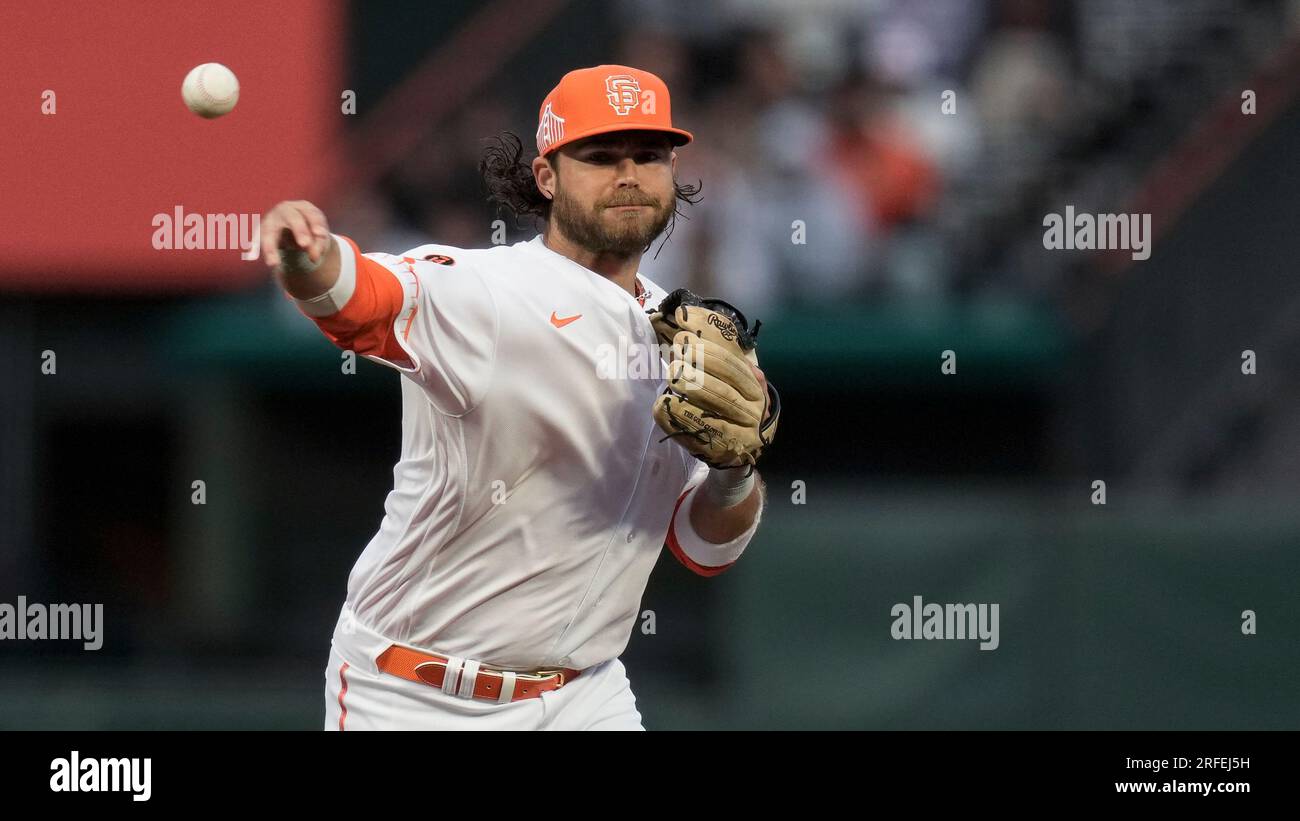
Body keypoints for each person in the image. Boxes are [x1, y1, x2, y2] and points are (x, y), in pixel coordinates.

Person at [260, 65, 776, 730]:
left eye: (649, 156)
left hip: (582, 696)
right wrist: (306, 256)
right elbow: (360, 302)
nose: (629, 174)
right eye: (600, 156)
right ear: (547, 176)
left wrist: (735, 476)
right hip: (415, 693)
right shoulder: (488, 291)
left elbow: (705, 549)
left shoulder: (690, 336)